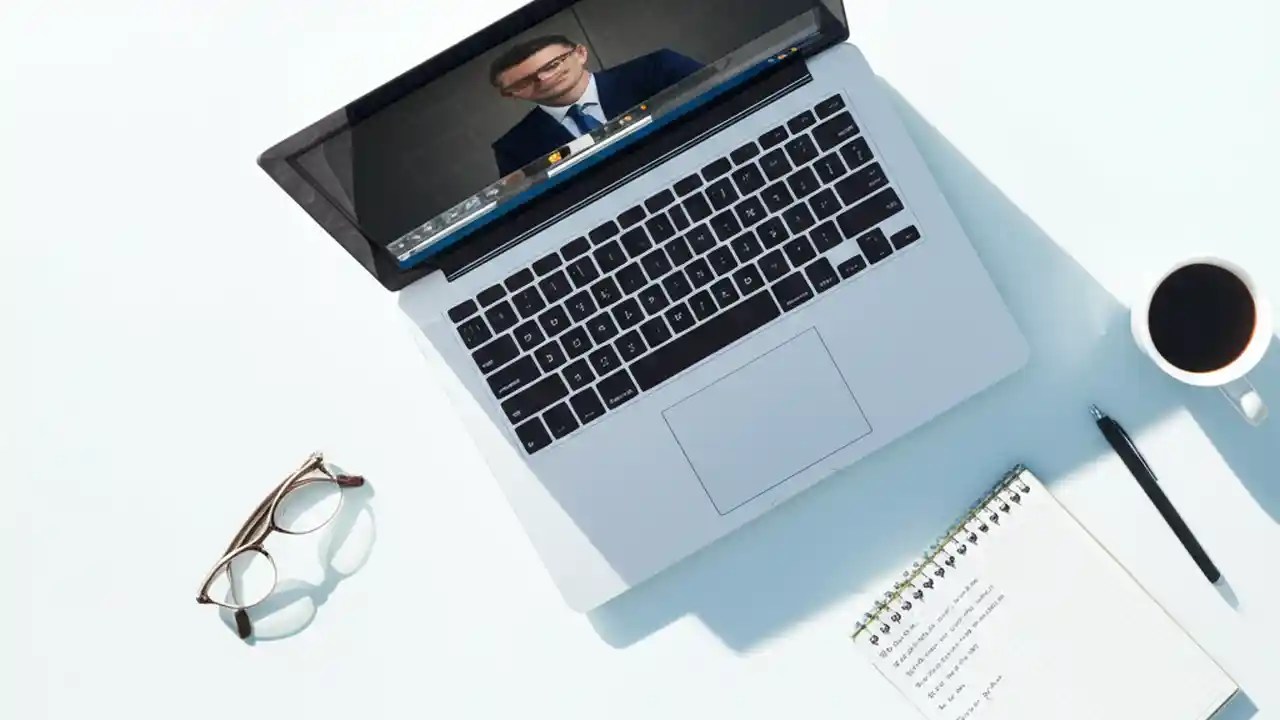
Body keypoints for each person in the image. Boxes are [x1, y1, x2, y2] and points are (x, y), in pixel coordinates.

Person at [489, 35, 703, 177]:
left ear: (580, 54)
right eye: (523, 82)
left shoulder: (659, 69)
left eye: (552, 65)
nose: (544, 79)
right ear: (510, 94)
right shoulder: (514, 148)